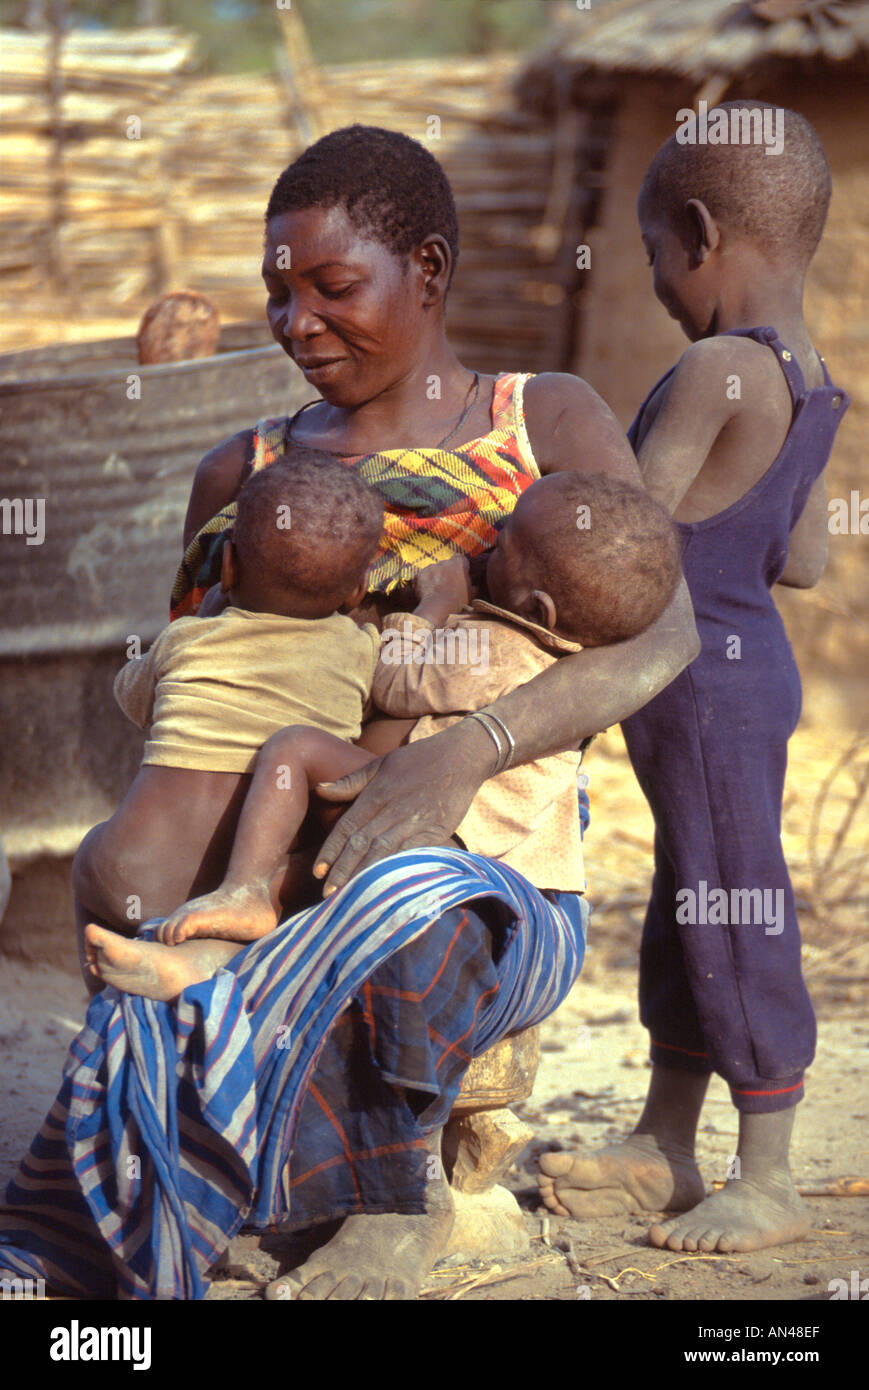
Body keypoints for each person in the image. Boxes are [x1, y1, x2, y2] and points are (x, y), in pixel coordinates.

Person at [0, 125, 698, 1301]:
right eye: (278, 292)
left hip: (477, 881)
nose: (296, 322)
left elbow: (664, 635)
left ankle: (391, 1202)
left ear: (426, 270)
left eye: (333, 287)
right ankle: (106, 1227)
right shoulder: (241, 472)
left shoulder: (544, 421)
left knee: (395, 891)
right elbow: (196, 681)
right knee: (144, 898)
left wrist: (461, 755)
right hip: (270, 858)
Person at [538, 102, 849, 1256]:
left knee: (734, 905)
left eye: (652, 254)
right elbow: (805, 560)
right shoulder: (808, 379)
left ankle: (763, 1173)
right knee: (689, 900)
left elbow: (626, 529)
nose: (656, 280)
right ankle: (665, 1140)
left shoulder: (715, 366)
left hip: (703, 691)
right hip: (744, 672)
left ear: (699, 231)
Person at [85, 470, 680, 973]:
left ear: (536, 609)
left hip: (425, 828)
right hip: (496, 855)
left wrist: (434, 605)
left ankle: (239, 895)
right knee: (301, 876)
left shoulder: (493, 647)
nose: (487, 545)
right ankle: (197, 960)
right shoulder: (563, 668)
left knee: (294, 748)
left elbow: (395, 684)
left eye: (503, 547)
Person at [73, 451, 383, 993]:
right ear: (357, 591)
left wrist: (202, 619)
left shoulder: (186, 639)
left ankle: (106, 1007)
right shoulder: (360, 651)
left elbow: (134, 700)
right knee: (300, 892)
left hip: (129, 871)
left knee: (89, 862)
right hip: (237, 887)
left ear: (230, 566)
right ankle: (204, 963)